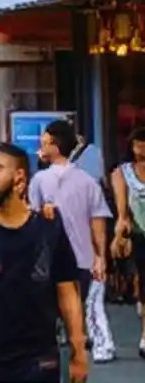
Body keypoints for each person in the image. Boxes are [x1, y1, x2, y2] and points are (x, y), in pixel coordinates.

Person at [0, 144, 88, 382]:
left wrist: (78, 350)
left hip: (39, 362)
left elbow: (67, 294)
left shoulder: (49, 228)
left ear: (19, 177)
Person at [29, 122, 111, 320]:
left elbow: (31, 215)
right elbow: (97, 221)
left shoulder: (39, 179)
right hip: (83, 257)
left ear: (54, 146)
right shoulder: (88, 181)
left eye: (44, 143)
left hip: (48, 258)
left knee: (51, 312)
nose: (41, 147)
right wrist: (100, 257)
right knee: (76, 311)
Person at [109, 126, 145, 358]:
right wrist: (121, 232)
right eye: (138, 144)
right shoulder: (122, 172)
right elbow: (122, 211)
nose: (141, 148)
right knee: (143, 286)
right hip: (140, 235)